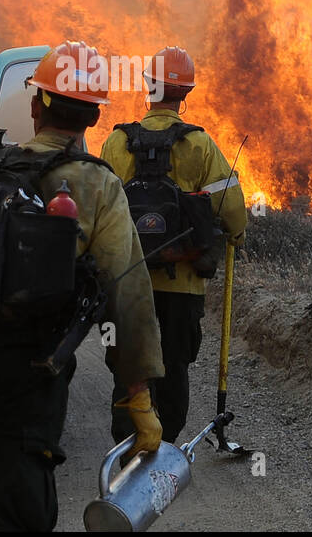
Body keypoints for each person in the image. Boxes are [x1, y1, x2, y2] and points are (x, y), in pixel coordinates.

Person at [0, 40, 164, 531]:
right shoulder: (98, 186)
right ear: (94, 119)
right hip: (33, 370)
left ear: (36, 106)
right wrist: (137, 394)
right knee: (24, 500)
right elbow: (125, 294)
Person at [99, 45, 246, 446]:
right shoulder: (199, 144)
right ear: (186, 94)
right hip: (182, 282)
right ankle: (166, 444)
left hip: (130, 280)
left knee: (131, 364)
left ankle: (128, 443)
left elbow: (100, 207)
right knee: (176, 363)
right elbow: (230, 207)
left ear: (148, 87)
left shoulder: (115, 143)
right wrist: (236, 232)